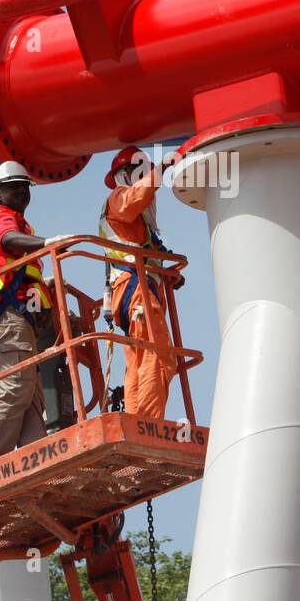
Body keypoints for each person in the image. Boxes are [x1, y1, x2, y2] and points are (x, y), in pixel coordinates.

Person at [0, 160, 76, 460]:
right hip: (8, 316)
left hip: (22, 319)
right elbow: (7, 240)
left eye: (24, 187)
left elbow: (19, 270)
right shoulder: (0, 219)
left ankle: (36, 456)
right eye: (12, 187)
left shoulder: (21, 226)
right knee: (16, 387)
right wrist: (46, 243)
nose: (20, 191)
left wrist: (46, 286)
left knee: (31, 396)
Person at [98, 146, 181, 420]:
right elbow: (137, 196)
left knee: (137, 363)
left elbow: (151, 252)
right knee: (159, 357)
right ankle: (148, 425)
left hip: (131, 293)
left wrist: (170, 274)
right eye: (141, 172)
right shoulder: (119, 198)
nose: (147, 179)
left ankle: (135, 422)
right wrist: (163, 168)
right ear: (125, 175)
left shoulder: (138, 225)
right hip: (136, 292)